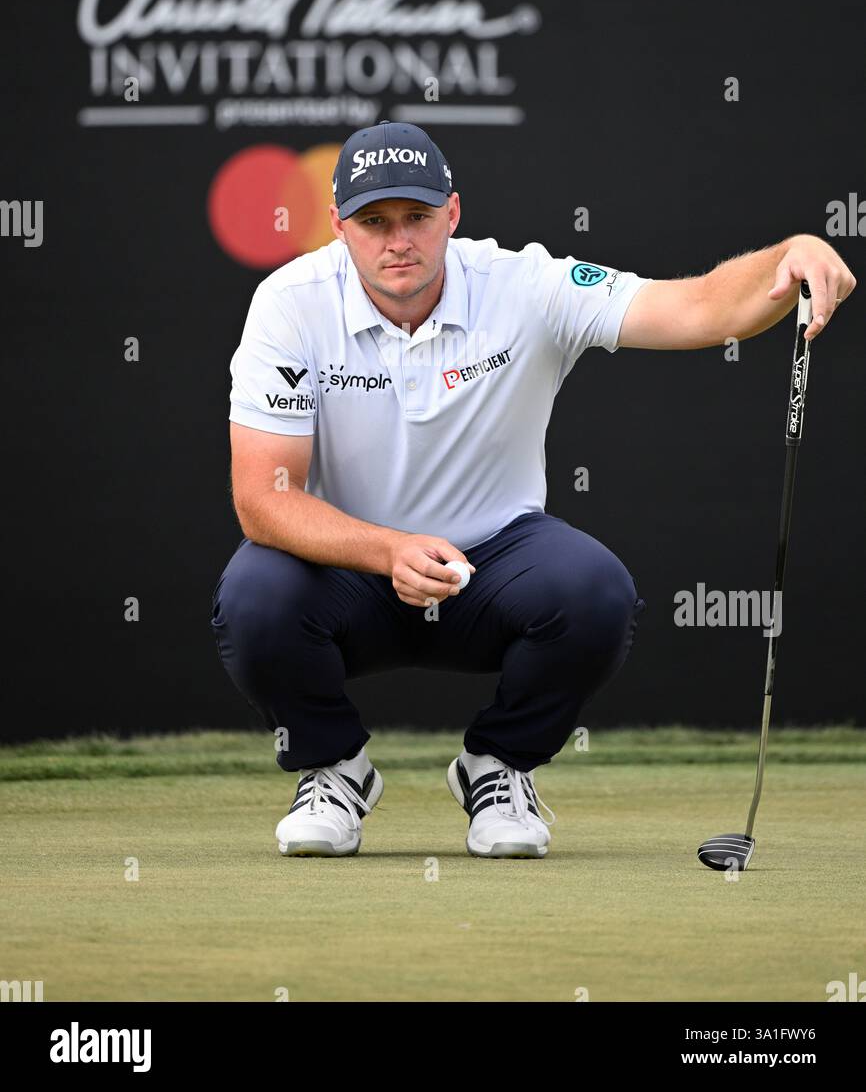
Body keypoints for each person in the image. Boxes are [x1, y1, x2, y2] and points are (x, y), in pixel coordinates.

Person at [211, 119, 855, 860]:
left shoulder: (526, 285)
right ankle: (332, 770)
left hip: (493, 567)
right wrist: (387, 550)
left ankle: (498, 768)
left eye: (417, 218)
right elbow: (265, 498)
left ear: (452, 213)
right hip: (349, 571)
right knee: (254, 595)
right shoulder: (290, 304)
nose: (398, 241)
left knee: (594, 590)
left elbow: (703, 308)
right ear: (339, 227)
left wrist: (791, 254)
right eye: (374, 222)